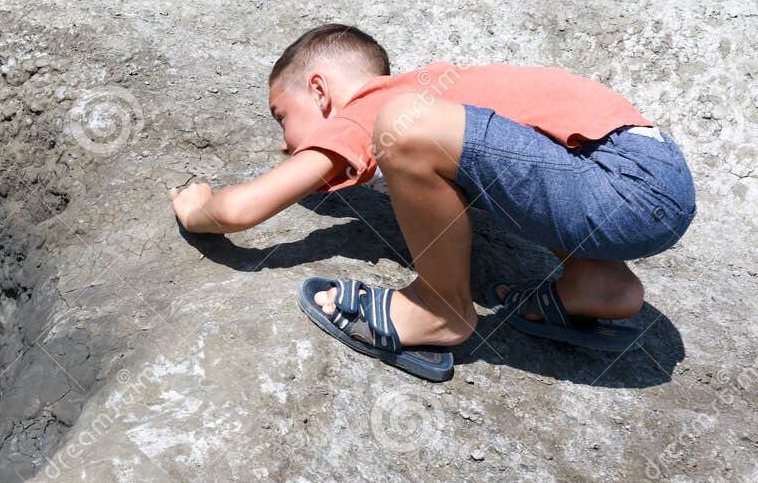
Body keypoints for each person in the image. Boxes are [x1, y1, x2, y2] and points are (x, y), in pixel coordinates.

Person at [168, 24, 696, 381]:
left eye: (282, 117)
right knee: (487, 160)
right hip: (642, 180)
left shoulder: (377, 105)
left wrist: (202, 209)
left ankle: (437, 310)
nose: (285, 144)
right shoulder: (442, 89)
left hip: (626, 184)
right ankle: (599, 284)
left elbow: (244, 210)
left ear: (320, 91)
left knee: (406, 128)